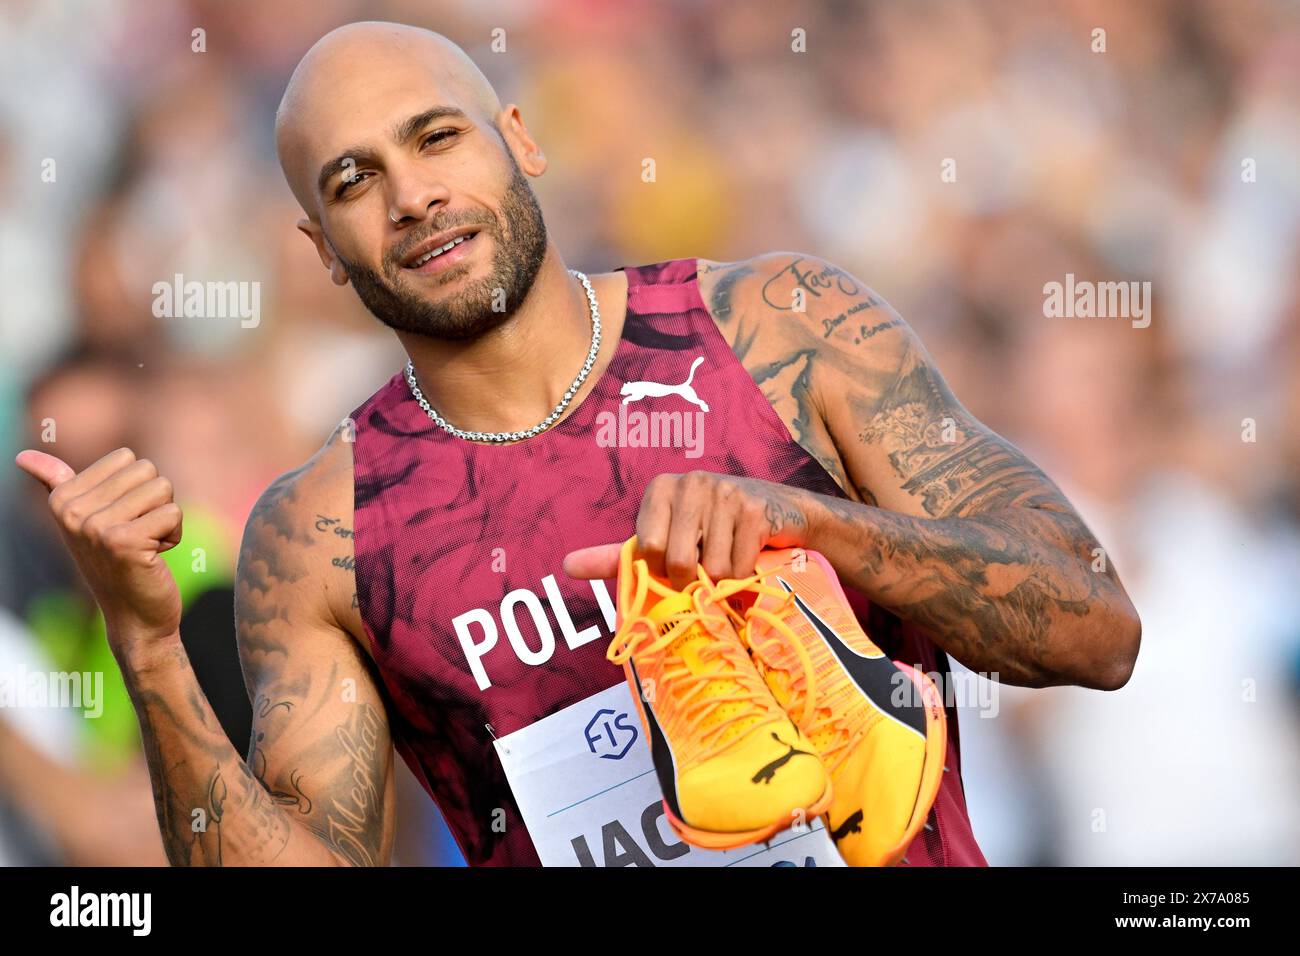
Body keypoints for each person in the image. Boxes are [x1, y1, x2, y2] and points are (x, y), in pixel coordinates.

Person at [14, 21, 1139, 867]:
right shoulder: (322, 533)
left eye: (435, 136)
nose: (412, 197)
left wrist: (815, 526)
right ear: (319, 245)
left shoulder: (780, 328)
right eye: (354, 180)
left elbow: (1095, 627)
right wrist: (150, 648)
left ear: (521, 140)